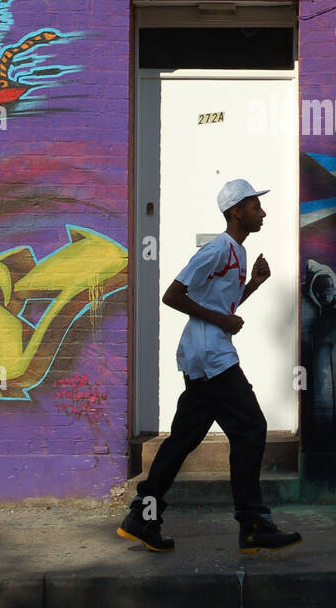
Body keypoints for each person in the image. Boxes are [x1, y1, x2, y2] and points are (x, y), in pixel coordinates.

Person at [117, 179, 302, 553]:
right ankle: (252, 523)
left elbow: (224, 306)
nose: (262, 212)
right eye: (255, 206)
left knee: (183, 438)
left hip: (204, 354)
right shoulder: (217, 249)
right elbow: (173, 295)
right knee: (251, 428)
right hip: (211, 354)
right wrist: (221, 322)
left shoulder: (237, 253)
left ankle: (143, 515)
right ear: (236, 211)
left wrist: (253, 285)